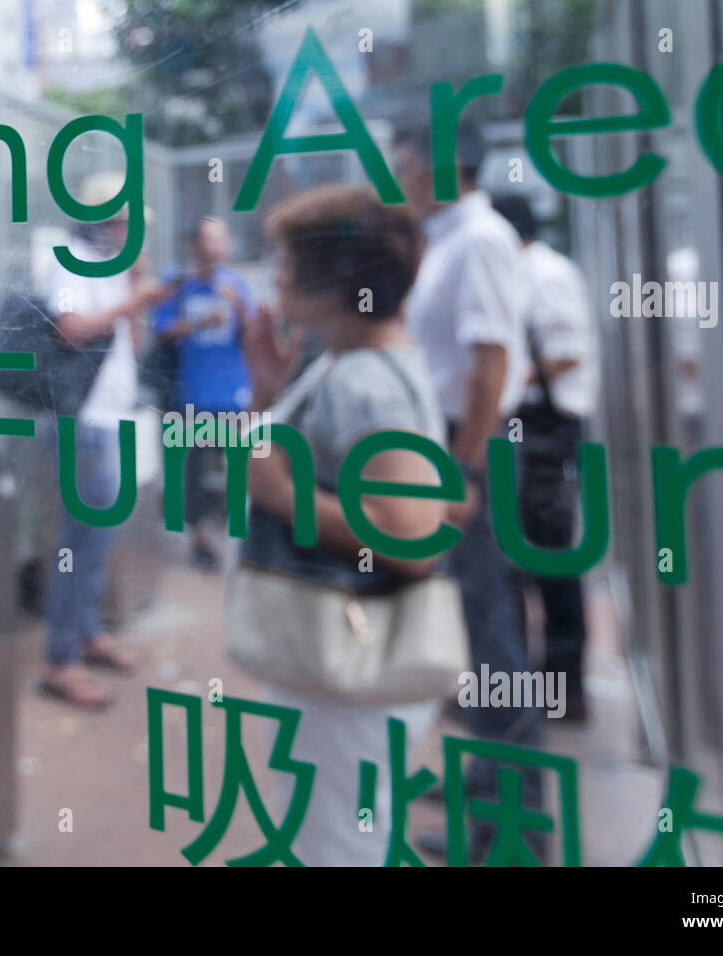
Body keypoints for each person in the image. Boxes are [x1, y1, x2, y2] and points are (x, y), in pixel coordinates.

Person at [236, 184, 447, 866]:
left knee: (336, 845)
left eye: (287, 261)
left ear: (334, 285)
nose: (276, 275)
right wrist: (266, 389)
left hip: (348, 668)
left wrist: (283, 498)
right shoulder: (362, 364)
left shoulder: (363, 382)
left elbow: (411, 534)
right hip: (348, 660)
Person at [393, 120, 548, 863]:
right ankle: (490, 790)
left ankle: (510, 832)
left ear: (432, 164)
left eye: (402, 160)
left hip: (467, 450)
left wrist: (464, 468)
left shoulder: (478, 238)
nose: (396, 176)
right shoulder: (451, 238)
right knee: (479, 637)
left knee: (490, 640)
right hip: (452, 446)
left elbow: (490, 364)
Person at [39, 172, 169, 710]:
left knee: (96, 540)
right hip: (82, 422)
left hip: (108, 419)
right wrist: (130, 296)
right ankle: (60, 660)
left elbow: (132, 343)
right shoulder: (68, 258)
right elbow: (68, 327)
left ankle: (87, 633)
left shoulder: (113, 268)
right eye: (126, 221)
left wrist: (133, 294)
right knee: (81, 543)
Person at [493, 193, 599, 721]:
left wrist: (505, 382)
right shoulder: (525, 271)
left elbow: (567, 351)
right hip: (528, 425)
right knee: (520, 557)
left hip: (546, 427)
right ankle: (529, 686)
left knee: (551, 556)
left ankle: (564, 688)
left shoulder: (546, 274)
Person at [150, 215, 254, 570]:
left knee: (238, 470)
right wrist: (198, 322)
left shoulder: (235, 284)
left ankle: (237, 541)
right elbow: (160, 329)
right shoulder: (176, 283)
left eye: (223, 240)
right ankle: (200, 542)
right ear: (195, 245)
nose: (219, 248)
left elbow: (255, 334)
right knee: (192, 476)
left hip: (233, 395)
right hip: (189, 394)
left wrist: (238, 306)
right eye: (211, 240)